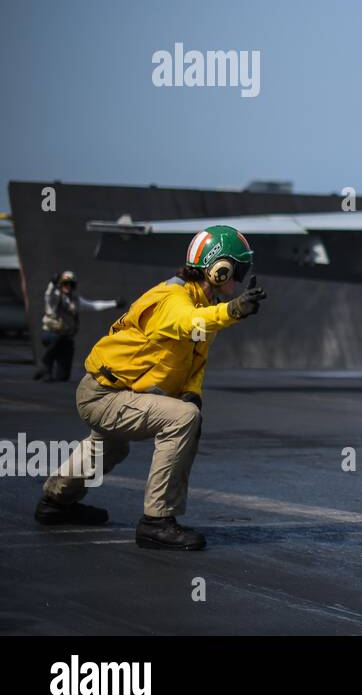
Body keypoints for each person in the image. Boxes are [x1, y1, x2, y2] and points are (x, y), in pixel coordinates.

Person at [35, 225, 267, 551]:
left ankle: (55, 503)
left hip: (120, 393)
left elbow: (196, 359)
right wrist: (234, 310)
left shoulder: (201, 304)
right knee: (182, 418)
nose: (238, 281)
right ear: (218, 269)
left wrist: (192, 392)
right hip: (106, 395)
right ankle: (156, 522)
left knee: (111, 447)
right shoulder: (172, 299)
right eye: (237, 272)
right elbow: (188, 323)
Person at [33, 271, 125, 382]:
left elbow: (94, 305)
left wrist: (114, 303)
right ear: (61, 285)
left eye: (71, 284)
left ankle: (49, 369)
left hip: (65, 337)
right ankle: (45, 367)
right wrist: (52, 283)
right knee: (56, 340)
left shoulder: (75, 301)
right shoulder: (54, 297)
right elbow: (48, 295)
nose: (68, 287)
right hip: (50, 333)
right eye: (65, 284)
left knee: (63, 377)